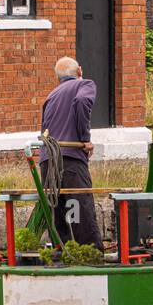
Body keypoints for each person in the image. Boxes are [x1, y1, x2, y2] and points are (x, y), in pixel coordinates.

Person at [40, 56, 101, 249]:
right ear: (80, 71)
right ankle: (90, 252)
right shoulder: (85, 85)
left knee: (57, 208)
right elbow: (83, 101)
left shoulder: (51, 96)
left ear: (57, 77)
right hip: (70, 158)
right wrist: (85, 139)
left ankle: (62, 250)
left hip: (47, 160)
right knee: (79, 204)